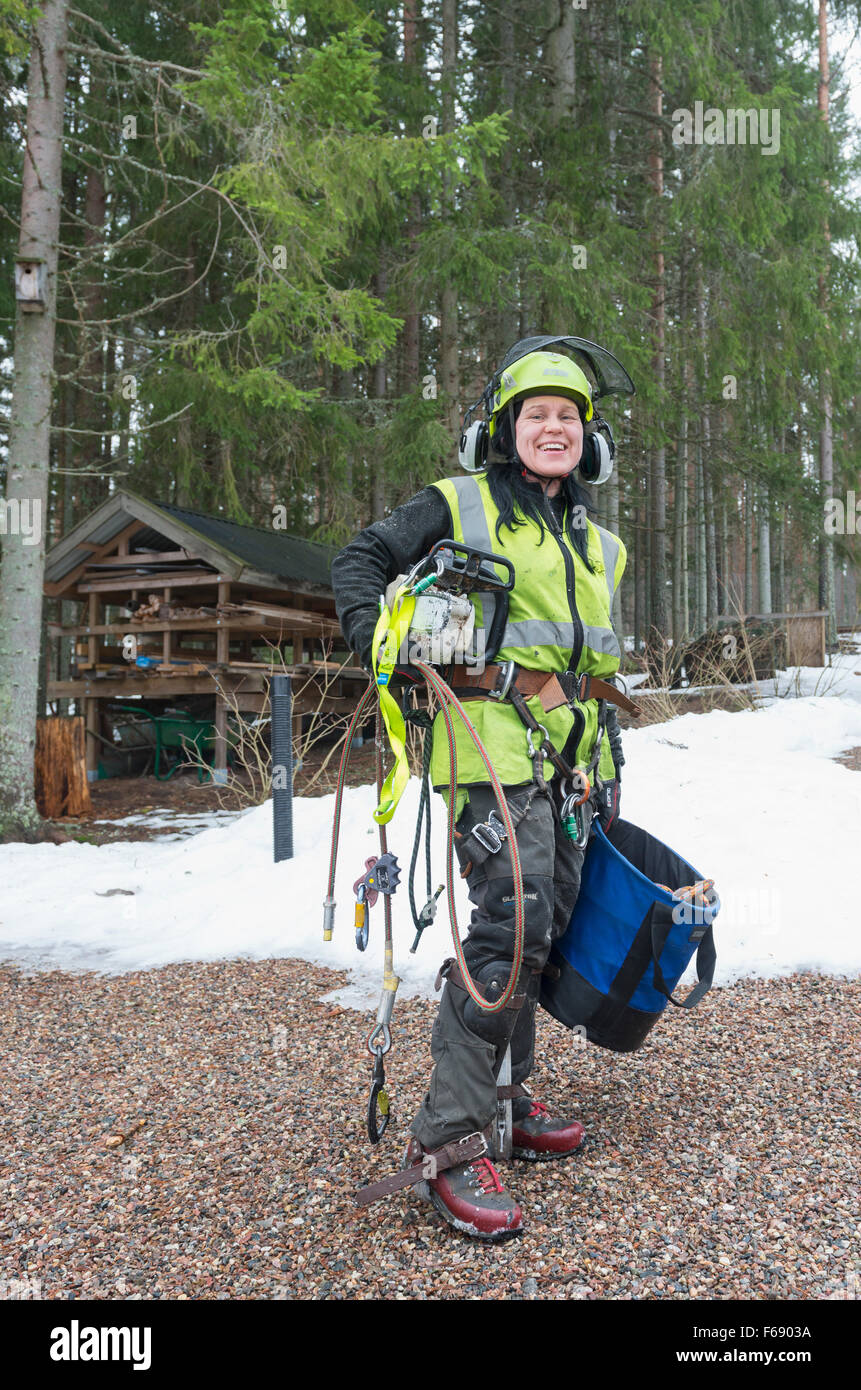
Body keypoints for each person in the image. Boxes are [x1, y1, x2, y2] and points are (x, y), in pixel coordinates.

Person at [332, 340, 629, 1241]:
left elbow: (588, 664)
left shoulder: (599, 543)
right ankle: (450, 1141)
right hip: (488, 753)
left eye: (568, 417)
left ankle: (505, 1097)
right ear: (501, 430)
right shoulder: (456, 505)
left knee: (550, 927)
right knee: (510, 930)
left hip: (578, 762)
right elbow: (359, 560)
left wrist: (608, 765)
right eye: (536, 414)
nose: (553, 428)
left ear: (590, 440)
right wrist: (375, 645)